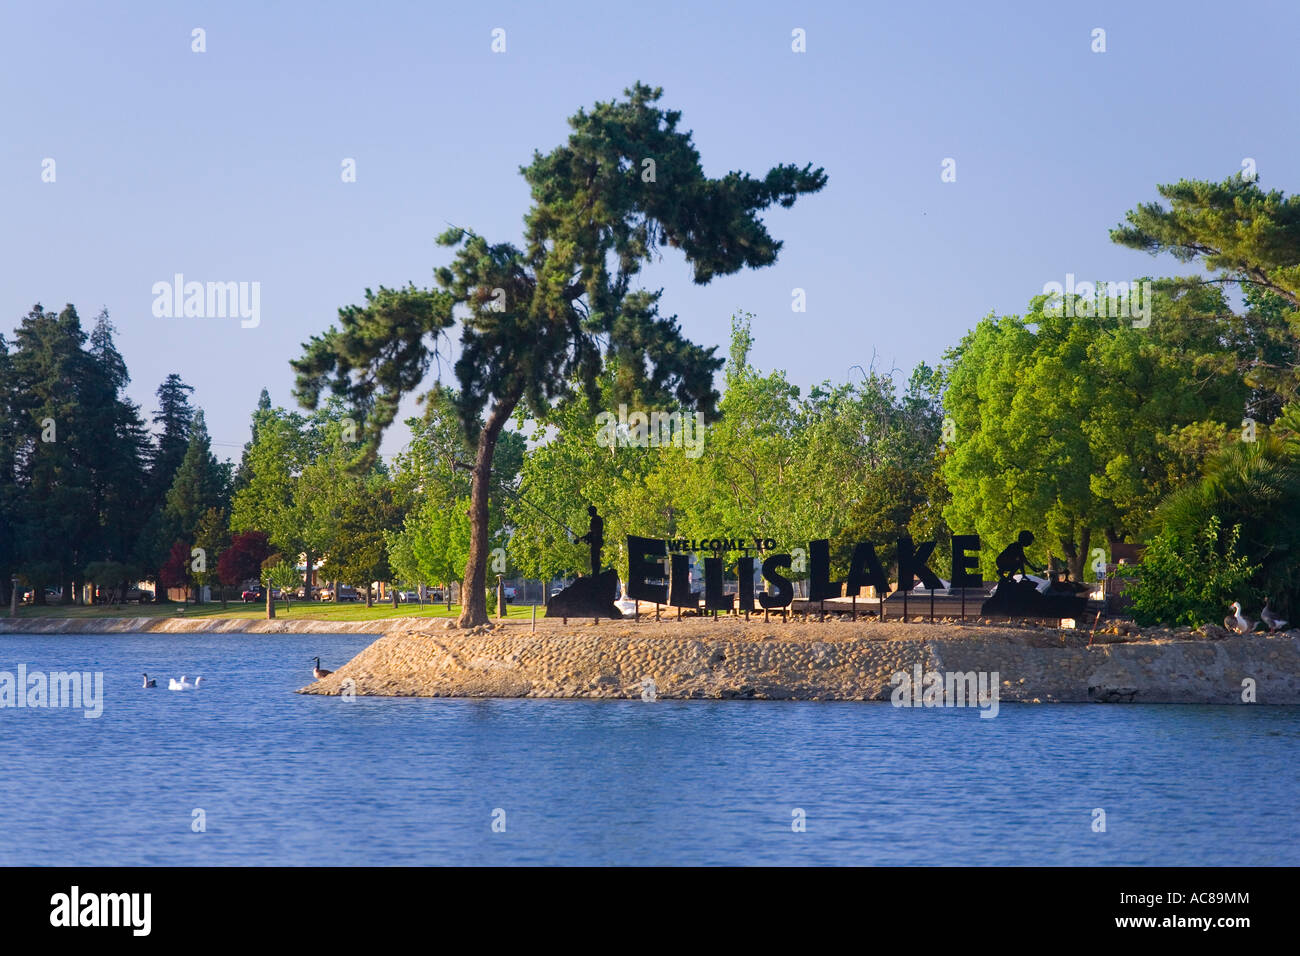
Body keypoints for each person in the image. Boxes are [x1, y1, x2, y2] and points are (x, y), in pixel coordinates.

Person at [575, 505, 604, 577]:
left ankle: (595, 575)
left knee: (595, 560)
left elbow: (593, 533)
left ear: (592, 511)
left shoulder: (595, 520)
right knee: (595, 559)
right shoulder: (597, 519)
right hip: (597, 541)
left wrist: (581, 538)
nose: (588, 513)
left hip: (596, 542)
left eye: (589, 512)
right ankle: (595, 574)